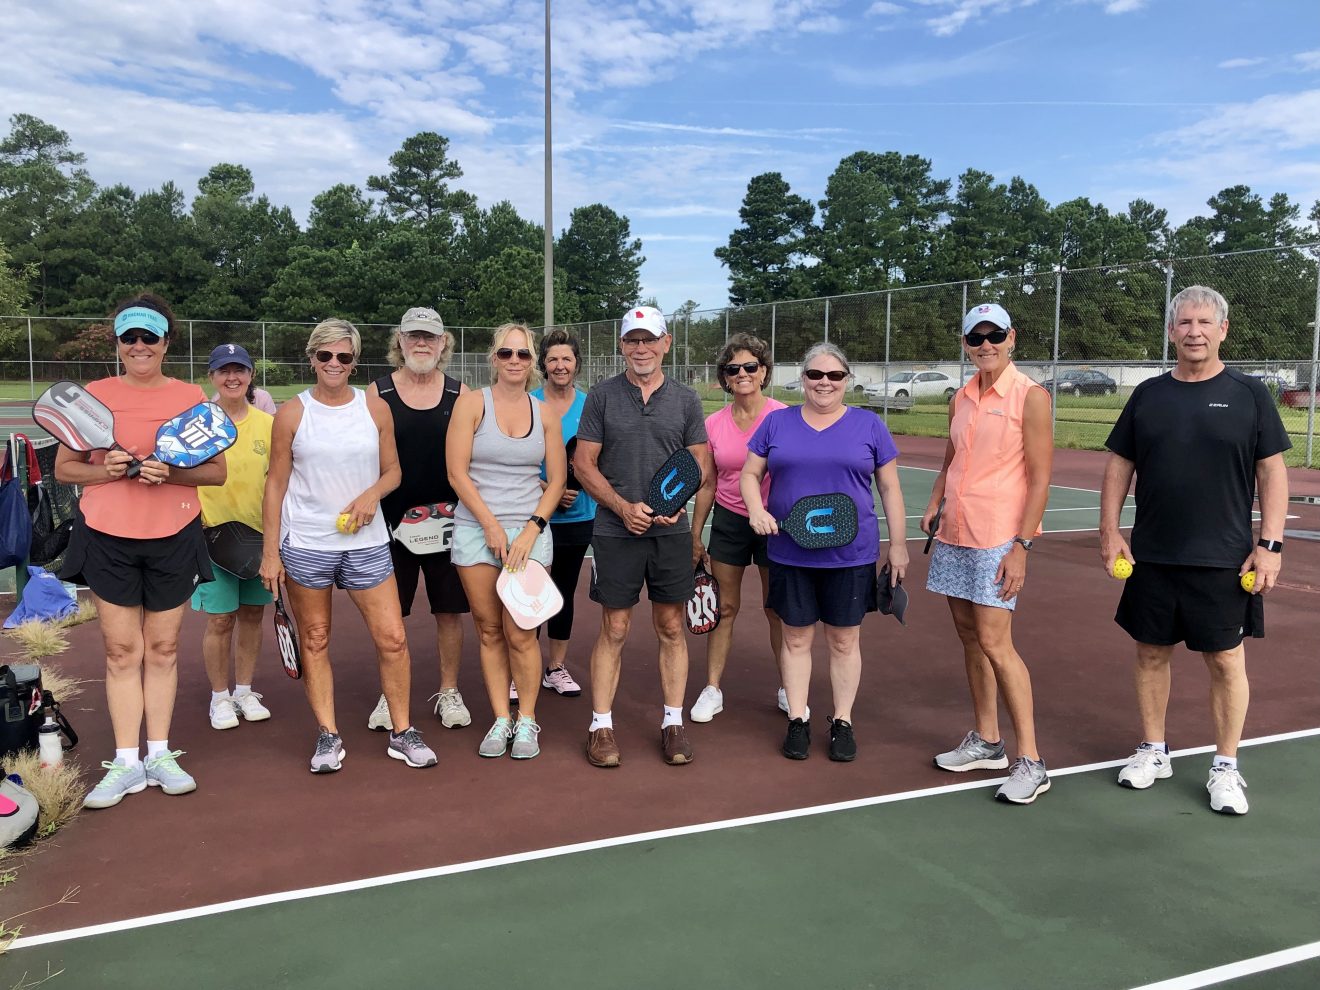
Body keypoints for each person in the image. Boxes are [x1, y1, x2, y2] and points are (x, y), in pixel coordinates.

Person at [1100, 285, 1289, 816]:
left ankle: (1225, 765)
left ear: (1223, 330)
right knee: (1150, 653)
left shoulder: (1250, 394)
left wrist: (1270, 545)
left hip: (1224, 559)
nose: (1194, 332)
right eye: (1184, 322)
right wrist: (1109, 530)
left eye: (1205, 323)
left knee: (1226, 661)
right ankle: (1153, 749)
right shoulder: (1149, 395)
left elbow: (1272, 472)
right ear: (1171, 331)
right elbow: (1119, 464)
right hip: (1152, 554)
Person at [58, 294, 226, 808]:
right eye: (128, 337)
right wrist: (103, 470)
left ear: (166, 343)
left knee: (163, 649)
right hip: (106, 536)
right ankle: (126, 763)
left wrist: (169, 472)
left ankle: (159, 754)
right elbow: (66, 468)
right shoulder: (93, 397)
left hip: (173, 535)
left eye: (148, 337)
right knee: (121, 651)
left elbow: (215, 473)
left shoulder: (190, 396)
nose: (138, 346)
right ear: (117, 344)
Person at [260, 318, 437, 773]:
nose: (334, 363)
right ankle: (328, 734)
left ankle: (402, 731)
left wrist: (370, 496)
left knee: (393, 638)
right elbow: (275, 484)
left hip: (368, 544)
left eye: (343, 356)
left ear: (354, 362)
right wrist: (270, 553)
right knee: (315, 639)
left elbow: (393, 472)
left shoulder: (374, 409)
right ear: (312, 359)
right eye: (325, 355)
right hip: (307, 545)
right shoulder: (292, 414)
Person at [742, 341, 907, 763]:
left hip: (851, 554)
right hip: (789, 552)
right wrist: (757, 509)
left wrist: (899, 546)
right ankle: (798, 719)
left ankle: (842, 721)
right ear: (803, 379)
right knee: (796, 637)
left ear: (847, 380)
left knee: (844, 640)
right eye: (815, 374)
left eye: (834, 375)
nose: (824, 383)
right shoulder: (776, 423)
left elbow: (889, 488)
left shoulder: (870, 425)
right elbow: (750, 474)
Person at [921, 303, 1053, 805]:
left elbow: (1040, 479)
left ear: (1011, 338)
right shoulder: (961, 397)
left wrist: (1022, 546)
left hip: (999, 537)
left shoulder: (1030, 396)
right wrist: (934, 503)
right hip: (955, 533)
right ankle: (988, 741)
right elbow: (950, 461)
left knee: (997, 644)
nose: (985, 345)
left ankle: (1031, 761)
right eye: (975, 338)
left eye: (994, 335)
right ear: (965, 344)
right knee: (970, 638)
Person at [574, 305, 712, 768]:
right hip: (615, 531)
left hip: (670, 534)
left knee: (671, 626)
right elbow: (583, 464)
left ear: (665, 343)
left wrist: (673, 504)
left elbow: (700, 465)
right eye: (632, 340)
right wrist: (622, 507)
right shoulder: (602, 396)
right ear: (622, 345)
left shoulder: (686, 400)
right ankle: (600, 727)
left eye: (649, 339)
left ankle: (673, 723)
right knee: (614, 627)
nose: (641, 348)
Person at [446, 323, 566, 760]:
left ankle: (527, 719)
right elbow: (457, 473)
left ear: (533, 362)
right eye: (506, 353)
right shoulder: (471, 404)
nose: (515, 360)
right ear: (493, 358)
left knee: (522, 631)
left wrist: (532, 529)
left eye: (523, 354)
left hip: (529, 534)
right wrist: (491, 526)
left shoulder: (545, 413)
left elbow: (557, 481)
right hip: (477, 531)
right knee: (489, 629)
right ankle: (501, 718)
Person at [365, 307, 473, 734]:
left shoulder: (461, 394)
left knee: (449, 612)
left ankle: (449, 691)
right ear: (400, 341)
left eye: (430, 336)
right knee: (391, 618)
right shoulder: (377, 393)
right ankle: (389, 695)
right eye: (414, 336)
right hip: (391, 527)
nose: (422, 343)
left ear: (443, 342)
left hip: (450, 524)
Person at [689, 333, 787, 722]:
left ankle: (790, 688)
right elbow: (707, 483)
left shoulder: (784, 417)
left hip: (775, 522)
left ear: (763, 372)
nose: (742, 374)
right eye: (733, 369)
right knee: (724, 607)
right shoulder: (713, 424)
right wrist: (696, 534)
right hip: (730, 520)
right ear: (725, 378)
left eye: (750, 366)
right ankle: (712, 689)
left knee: (776, 609)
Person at [194, 344, 274, 731]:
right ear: (211, 376)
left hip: (259, 539)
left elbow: (279, 482)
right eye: (223, 370)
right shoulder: (198, 425)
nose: (232, 377)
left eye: (239, 370)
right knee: (221, 620)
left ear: (250, 375)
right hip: (213, 540)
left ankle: (244, 691)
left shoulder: (268, 425)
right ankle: (219, 697)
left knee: (253, 615)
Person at [531, 328, 598, 697]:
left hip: (578, 518)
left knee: (562, 592)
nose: (560, 365)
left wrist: (580, 487)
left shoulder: (591, 405)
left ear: (576, 364)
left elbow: (599, 459)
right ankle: (521, 667)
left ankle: (555, 668)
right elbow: (512, 462)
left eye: (566, 359)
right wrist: (549, 490)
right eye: (553, 358)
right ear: (544, 363)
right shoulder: (528, 403)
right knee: (529, 593)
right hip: (532, 517)